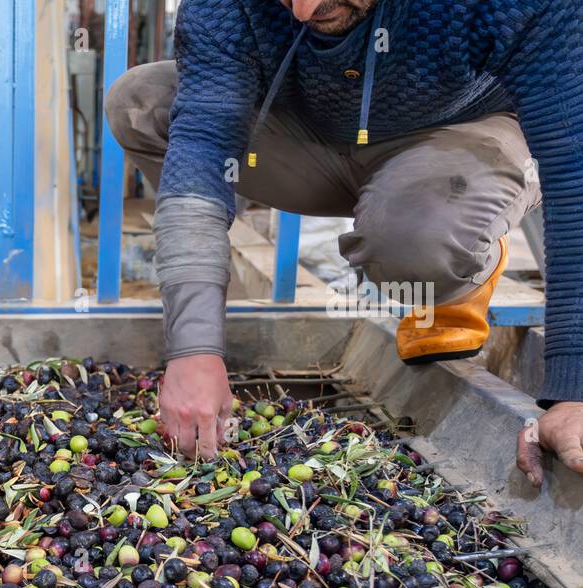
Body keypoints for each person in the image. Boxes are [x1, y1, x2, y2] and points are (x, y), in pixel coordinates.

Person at [104, 0, 583, 486]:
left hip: (461, 134)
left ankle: (457, 269)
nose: (303, 9)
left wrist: (575, 392)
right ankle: (399, 215)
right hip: (317, 138)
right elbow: (202, 149)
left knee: (416, 245)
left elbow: (574, 170)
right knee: (142, 101)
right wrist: (194, 350)